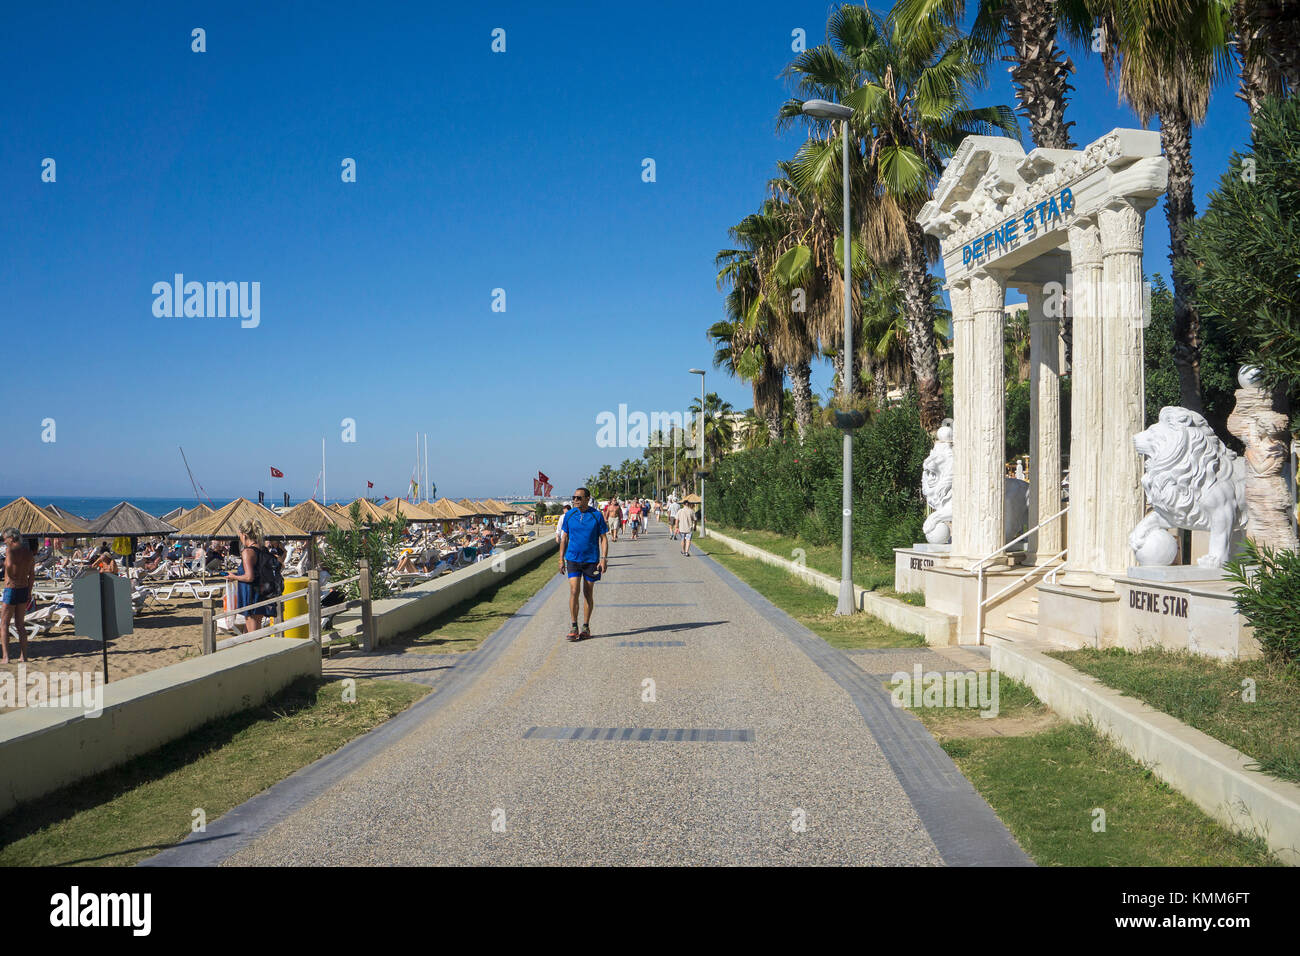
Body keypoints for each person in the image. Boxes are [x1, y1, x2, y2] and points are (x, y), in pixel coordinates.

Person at [557, 487, 608, 641]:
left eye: (579, 498)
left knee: (587, 593)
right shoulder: (569, 515)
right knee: (574, 591)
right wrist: (561, 559)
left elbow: (604, 538)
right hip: (572, 558)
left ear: (587, 498)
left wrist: (603, 559)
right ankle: (574, 626)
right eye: (574, 498)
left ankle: (585, 626)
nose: (575, 500)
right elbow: (564, 537)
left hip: (591, 560)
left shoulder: (596, 515)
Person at [225, 520, 274, 633]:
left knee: (252, 633)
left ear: (244, 535)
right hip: (261, 592)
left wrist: (234, 576)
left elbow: (249, 577)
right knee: (254, 628)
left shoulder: (247, 552)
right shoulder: (263, 550)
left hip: (250, 594)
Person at [1, 528, 36, 663]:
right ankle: (24, 656)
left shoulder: (10, 550)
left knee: (4, 623)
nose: (4, 541)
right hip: (23, 588)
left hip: (11, 588)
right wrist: (29, 591)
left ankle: (6, 657)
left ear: (11, 538)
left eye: (5, 539)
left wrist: (8, 572)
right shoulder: (28, 553)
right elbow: (32, 574)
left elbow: (9, 565)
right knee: (20, 625)